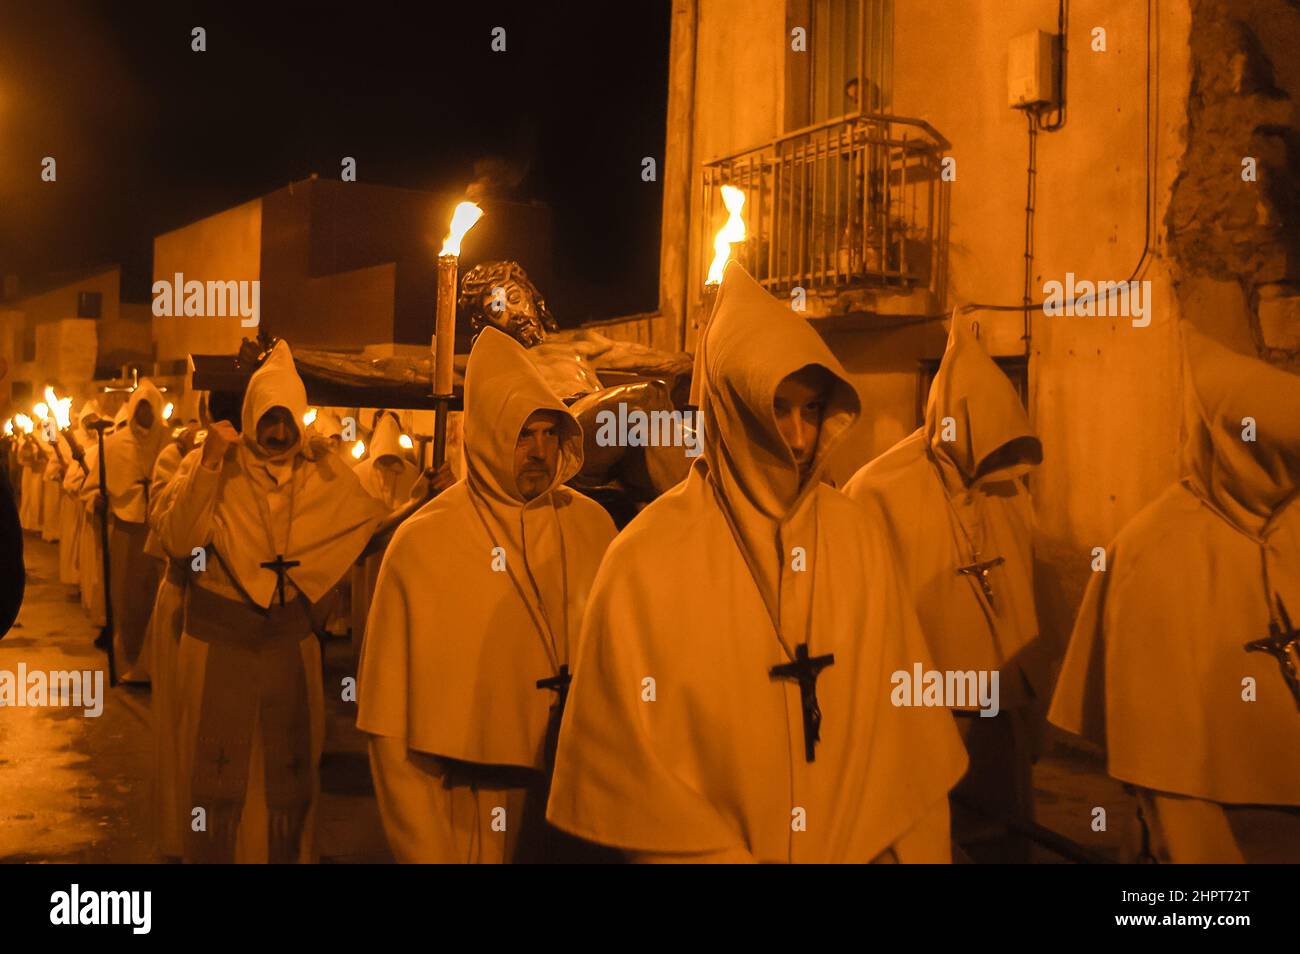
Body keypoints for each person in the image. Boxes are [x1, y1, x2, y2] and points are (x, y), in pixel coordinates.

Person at [546, 263, 966, 862]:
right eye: (777, 408)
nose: (797, 437)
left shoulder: (858, 537)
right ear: (733, 410)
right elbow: (635, 782)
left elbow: (910, 753)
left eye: (812, 409)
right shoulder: (644, 561)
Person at [153, 342, 449, 863]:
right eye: (268, 419)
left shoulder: (324, 475)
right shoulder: (213, 468)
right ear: (249, 416)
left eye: (286, 419)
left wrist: (422, 500)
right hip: (218, 650)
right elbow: (179, 541)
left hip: (290, 653)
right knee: (221, 781)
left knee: (286, 783)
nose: (278, 432)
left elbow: (364, 537)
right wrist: (208, 466)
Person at [357, 328, 618, 863]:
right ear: (486, 435)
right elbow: (388, 731)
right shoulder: (422, 543)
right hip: (467, 811)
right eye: (524, 436)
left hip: (574, 803)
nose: (541, 452)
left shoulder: (591, 526)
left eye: (551, 434)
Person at [1050, 328, 1300, 862]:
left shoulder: (1289, 525)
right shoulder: (1151, 549)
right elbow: (1160, 751)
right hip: (1197, 821)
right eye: (1269, 457)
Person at [843, 318, 1049, 862]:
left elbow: (1022, 585)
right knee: (928, 827)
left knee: (1005, 825)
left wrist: (1027, 692)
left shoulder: (1005, 489)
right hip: (924, 697)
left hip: (997, 694)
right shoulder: (876, 491)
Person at [80, 381, 169, 683]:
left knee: (158, 600)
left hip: (159, 531)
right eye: (140, 408)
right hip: (125, 531)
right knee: (126, 599)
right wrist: (98, 501)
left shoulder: (168, 443)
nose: (144, 414)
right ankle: (128, 665)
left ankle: (154, 666)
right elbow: (90, 489)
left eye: (149, 408)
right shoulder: (114, 445)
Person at [348, 412, 422, 655]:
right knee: (366, 612)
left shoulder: (412, 474)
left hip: (398, 557)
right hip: (369, 554)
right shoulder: (358, 474)